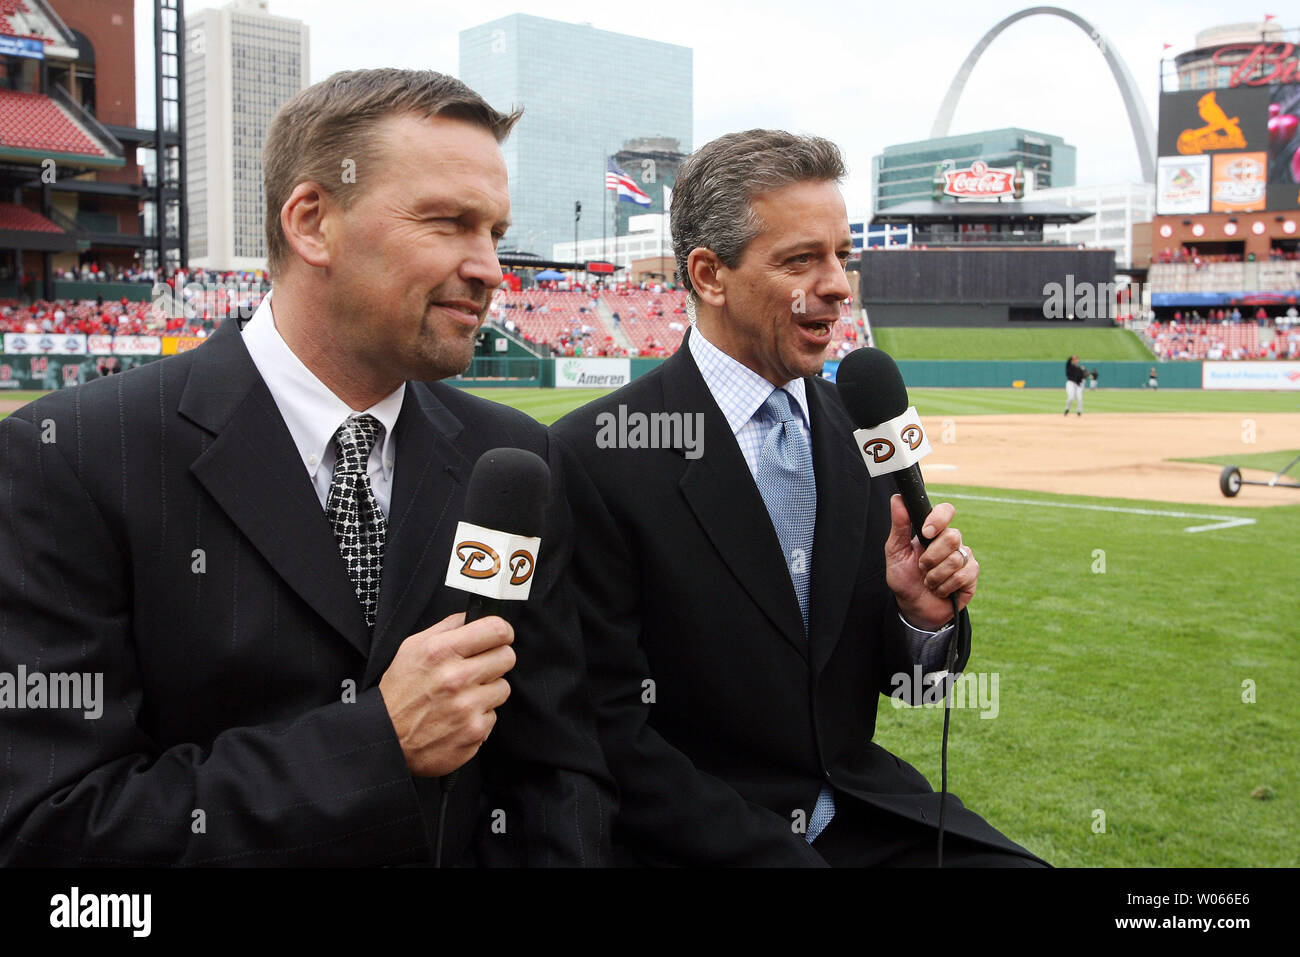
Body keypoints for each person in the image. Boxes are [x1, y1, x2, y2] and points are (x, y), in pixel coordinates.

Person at [0, 69, 613, 866]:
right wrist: (374, 744)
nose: (492, 268)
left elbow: (555, 769)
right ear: (313, 223)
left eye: (494, 231)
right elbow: (51, 832)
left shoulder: (514, 462)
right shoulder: (73, 458)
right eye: (449, 222)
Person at [552, 129, 1044, 866]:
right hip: (703, 839)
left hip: (865, 812)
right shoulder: (597, 454)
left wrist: (920, 619)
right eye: (801, 259)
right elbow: (610, 730)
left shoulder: (866, 426)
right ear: (710, 275)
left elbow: (913, 686)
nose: (840, 284)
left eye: (842, 255)